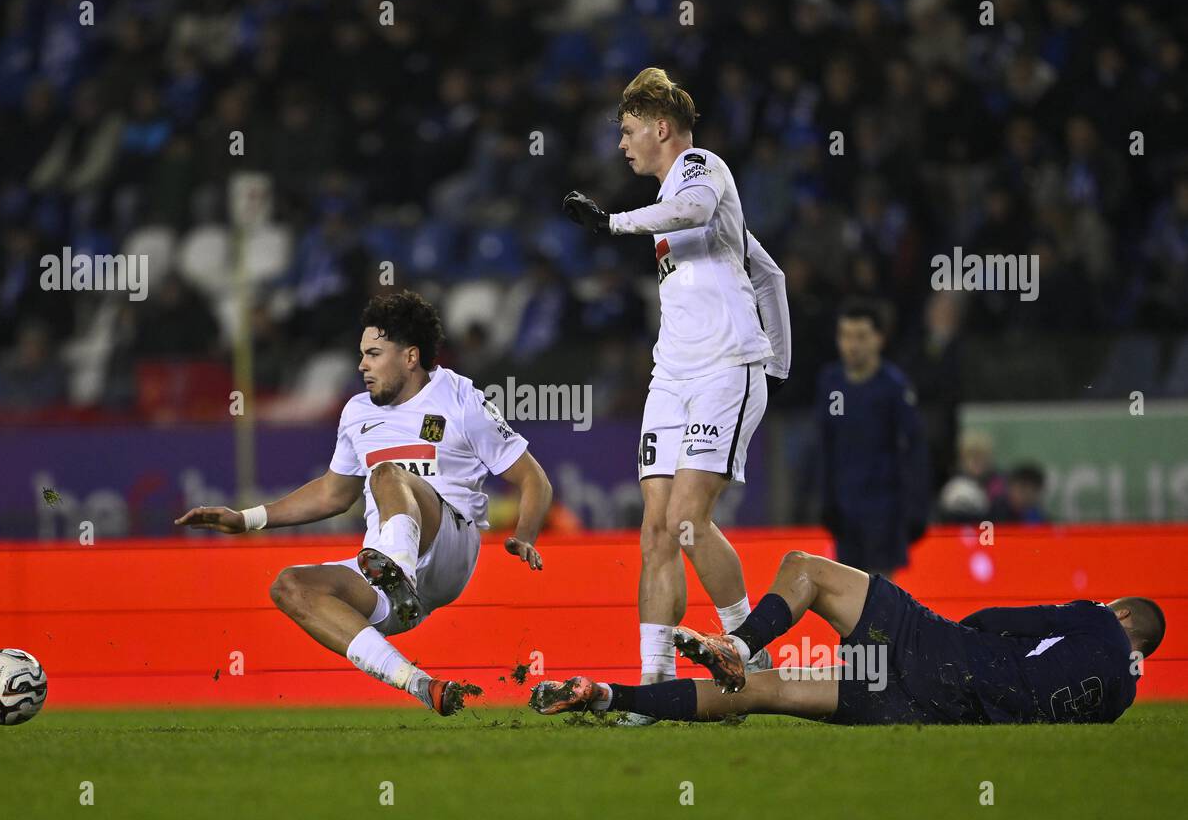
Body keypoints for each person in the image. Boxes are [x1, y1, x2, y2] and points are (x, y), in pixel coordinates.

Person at [176, 290, 552, 715]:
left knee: (387, 474)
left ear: (410, 357)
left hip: (450, 546)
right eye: (361, 354)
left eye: (373, 354)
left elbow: (533, 479)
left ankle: (397, 572)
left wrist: (525, 535)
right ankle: (418, 683)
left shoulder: (462, 399)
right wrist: (245, 519)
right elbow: (333, 493)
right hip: (388, 565)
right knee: (290, 586)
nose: (362, 366)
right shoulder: (356, 412)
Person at [561, 67, 791, 722]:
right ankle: (655, 687)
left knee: (689, 522)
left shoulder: (700, 168)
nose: (622, 145)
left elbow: (691, 210)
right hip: (673, 376)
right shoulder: (676, 203)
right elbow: (768, 274)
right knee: (656, 533)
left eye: (629, 131)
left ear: (661, 128)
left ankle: (753, 656)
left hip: (724, 369)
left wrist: (770, 365)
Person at [530, 550, 1164, 725]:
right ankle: (606, 696)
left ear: (1127, 620)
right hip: (934, 711)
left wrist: (961, 636)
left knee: (804, 569)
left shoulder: (1099, 620)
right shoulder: (1115, 701)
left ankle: (739, 644)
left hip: (943, 650)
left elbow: (1007, 620)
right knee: (759, 696)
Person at [817, 298, 929, 575]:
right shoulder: (832, 384)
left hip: (884, 507)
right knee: (845, 588)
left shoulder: (894, 387)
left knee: (881, 590)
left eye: (861, 336)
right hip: (845, 505)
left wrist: (916, 508)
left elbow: (914, 450)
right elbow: (825, 444)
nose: (852, 345)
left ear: (879, 339)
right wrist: (825, 500)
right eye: (845, 336)